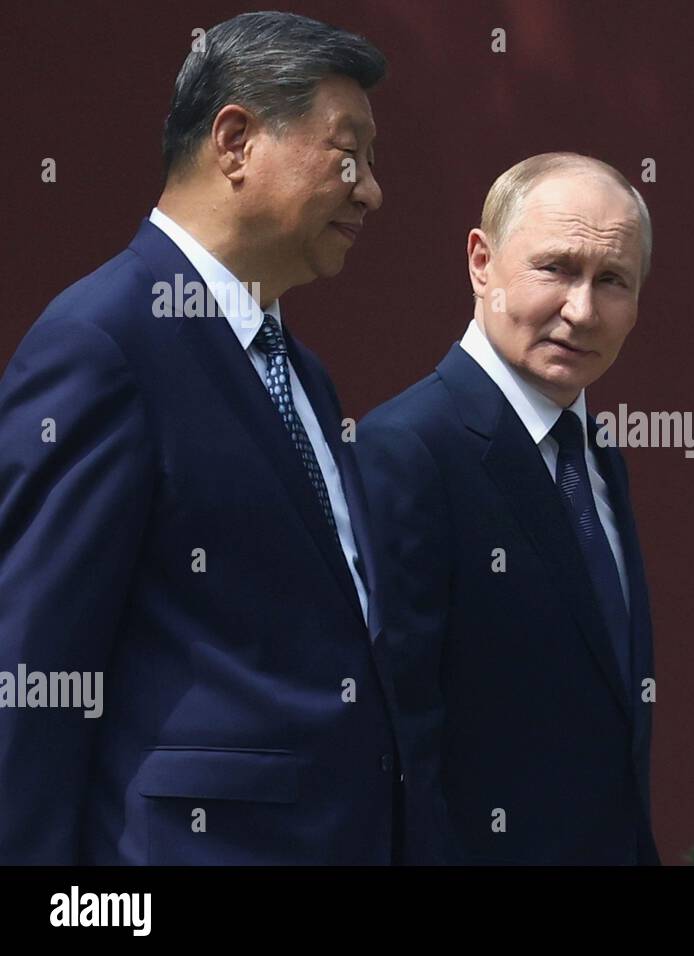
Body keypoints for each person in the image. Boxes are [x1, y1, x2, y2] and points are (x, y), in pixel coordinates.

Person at [0, 11, 402, 864]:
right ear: (235, 140)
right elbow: (30, 674)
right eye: (348, 150)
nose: (370, 188)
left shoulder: (304, 373)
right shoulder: (103, 344)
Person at [357, 153, 660, 864]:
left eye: (611, 280)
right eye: (556, 268)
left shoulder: (596, 457)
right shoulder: (406, 451)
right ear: (481, 262)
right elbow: (396, 742)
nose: (581, 311)